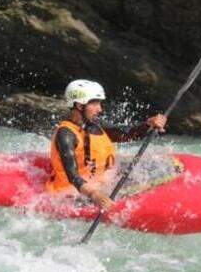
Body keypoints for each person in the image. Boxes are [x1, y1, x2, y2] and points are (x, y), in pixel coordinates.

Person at [46, 79, 167, 210]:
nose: (100, 109)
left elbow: (127, 135)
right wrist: (94, 194)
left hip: (100, 180)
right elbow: (72, 176)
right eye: (94, 103)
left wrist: (148, 124)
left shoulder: (94, 124)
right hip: (73, 193)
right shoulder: (65, 134)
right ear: (80, 106)